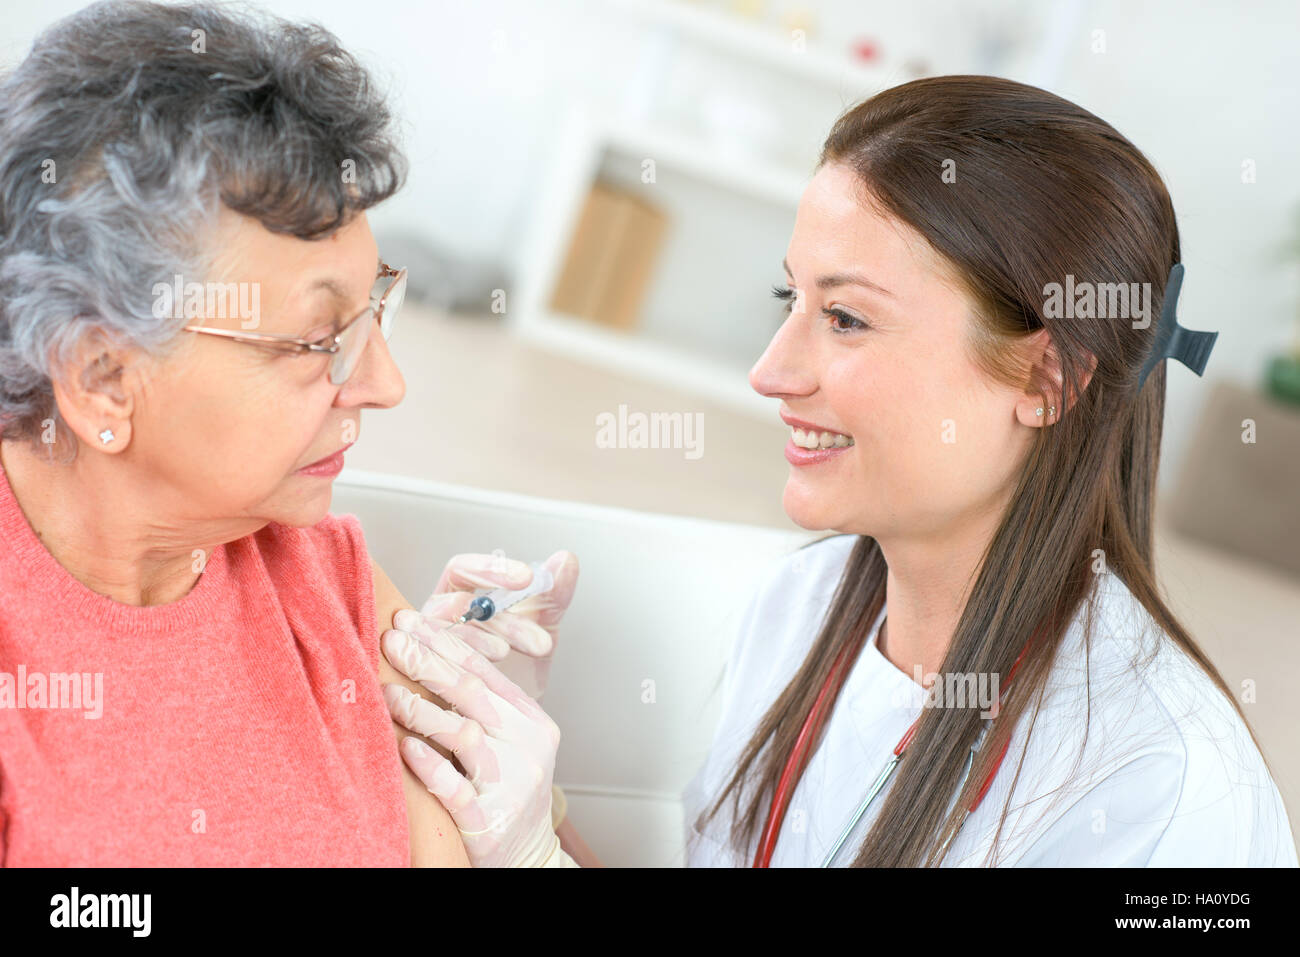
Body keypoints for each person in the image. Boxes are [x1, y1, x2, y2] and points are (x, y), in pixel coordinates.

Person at [387, 75, 1297, 867]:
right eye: (793, 298)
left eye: (847, 319)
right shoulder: (804, 605)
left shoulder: (1159, 788)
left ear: (1047, 378)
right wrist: (522, 801)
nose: (771, 372)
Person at [0, 0, 583, 867]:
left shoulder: (327, 579)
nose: (387, 384)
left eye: (373, 306)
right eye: (321, 339)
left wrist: (529, 837)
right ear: (102, 377)